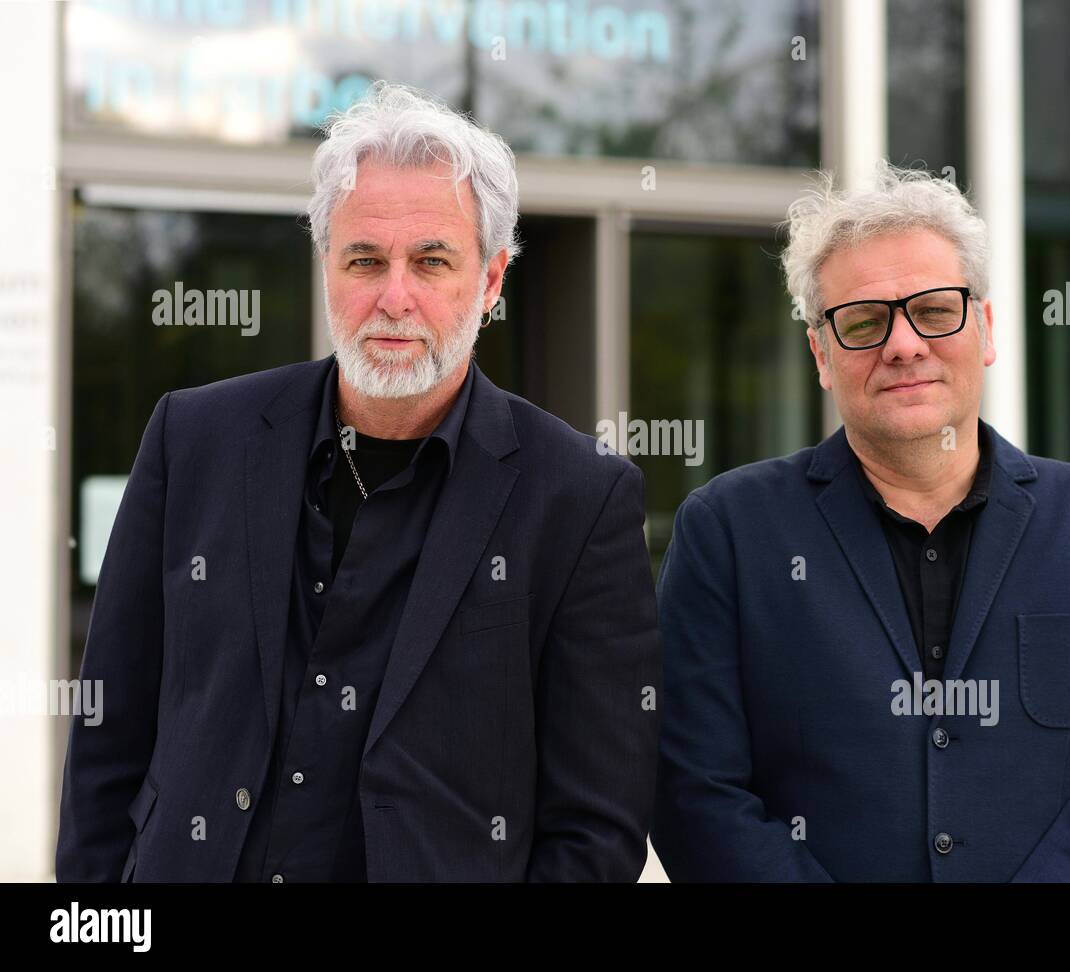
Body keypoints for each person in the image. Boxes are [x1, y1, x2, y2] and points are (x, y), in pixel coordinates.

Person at [56, 81, 661, 883]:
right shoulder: (192, 439)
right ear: (327, 266)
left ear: (490, 282)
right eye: (364, 259)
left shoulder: (580, 500)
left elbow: (594, 830)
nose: (394, 296)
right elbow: (108, 740)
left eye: (432, 260)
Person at [651, 164, 1070, 881]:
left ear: (987, 329)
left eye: (935, 310)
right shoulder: (727, 532)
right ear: (821, 353)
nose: (904, 344)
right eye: (866, 321)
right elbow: (695, 794)